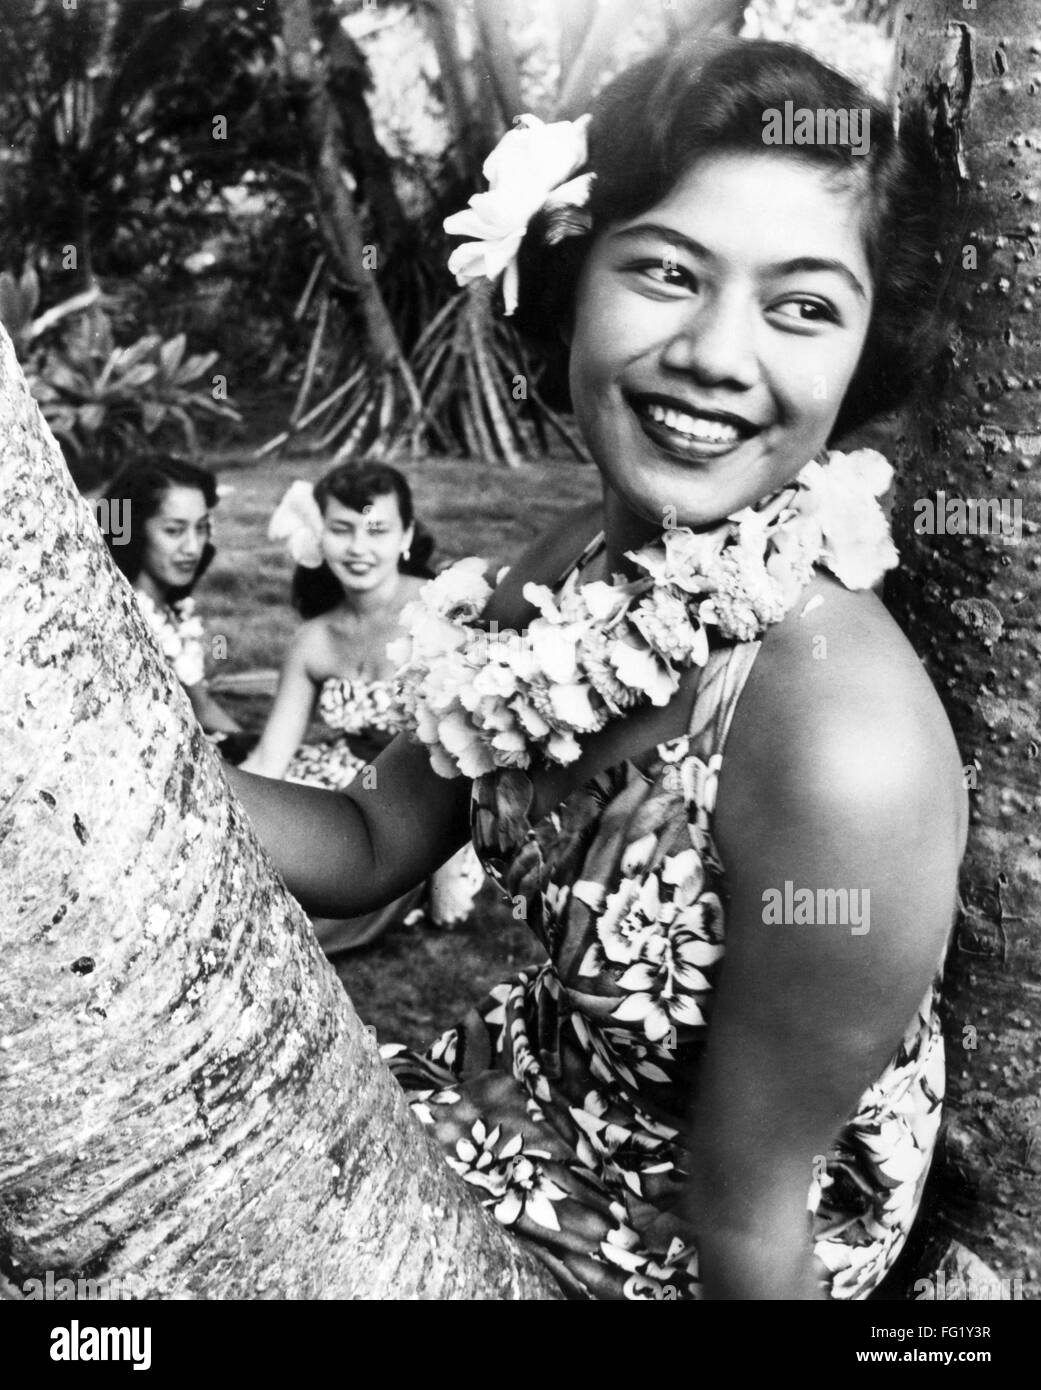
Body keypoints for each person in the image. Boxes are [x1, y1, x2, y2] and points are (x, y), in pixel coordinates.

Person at [227, 36, 966, 1300]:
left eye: (800, 305)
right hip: (516, 1099)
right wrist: (121, 763)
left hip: (692, 1247)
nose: (717, 357)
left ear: (861, 358)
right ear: (568, 281)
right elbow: (367, 837)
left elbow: (751, 1230)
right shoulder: (564, 569)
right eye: (669, 272)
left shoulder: (841, 745)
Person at [242, 461, 483, 951]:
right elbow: (271, 757)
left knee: (342, 881)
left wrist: (445, 876)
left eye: (377, 530)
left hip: (420, 800)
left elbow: (467, 753)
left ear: (405, 536)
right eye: (341, 530)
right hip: (336, 778)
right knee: (266, 853)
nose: (357, 548)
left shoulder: (441, 616)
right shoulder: (313, 638)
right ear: (320, 536)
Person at [101, 454, 241, 739]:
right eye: (174, 530)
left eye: (201, 528)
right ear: (136, 529)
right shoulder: (129, 617)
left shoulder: (167, 606)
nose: (192, 547)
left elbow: (204, 708)